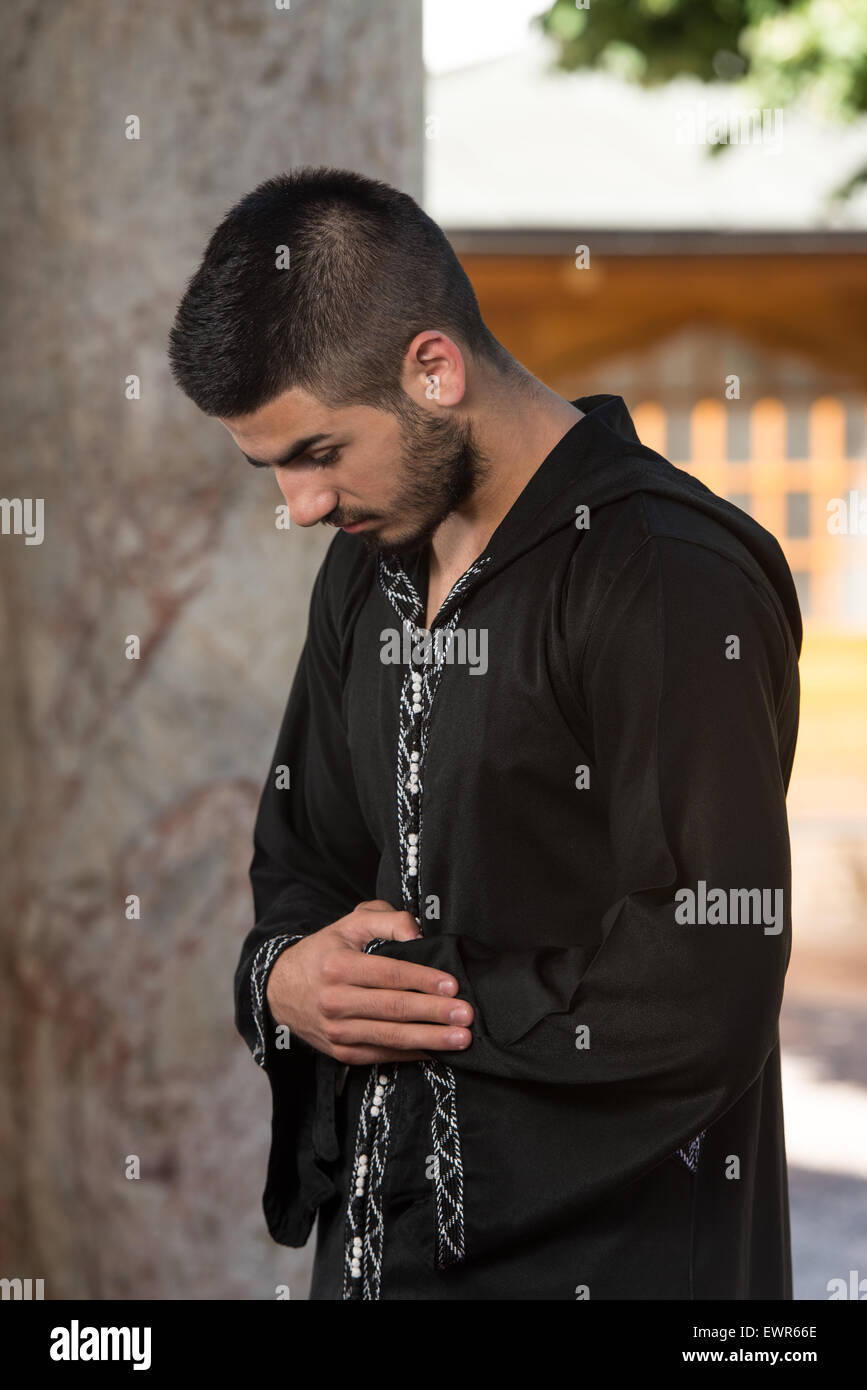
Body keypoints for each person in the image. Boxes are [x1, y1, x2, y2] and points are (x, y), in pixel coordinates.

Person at [168, 166, 801, 1300]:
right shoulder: (366, 575)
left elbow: (707, 973)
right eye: (273, 472)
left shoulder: (665, 574)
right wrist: (289, 980)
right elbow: (304, 854)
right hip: (374, 1262)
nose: (300, 507)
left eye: (317, 452)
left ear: (434, 367)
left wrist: (420, 997)